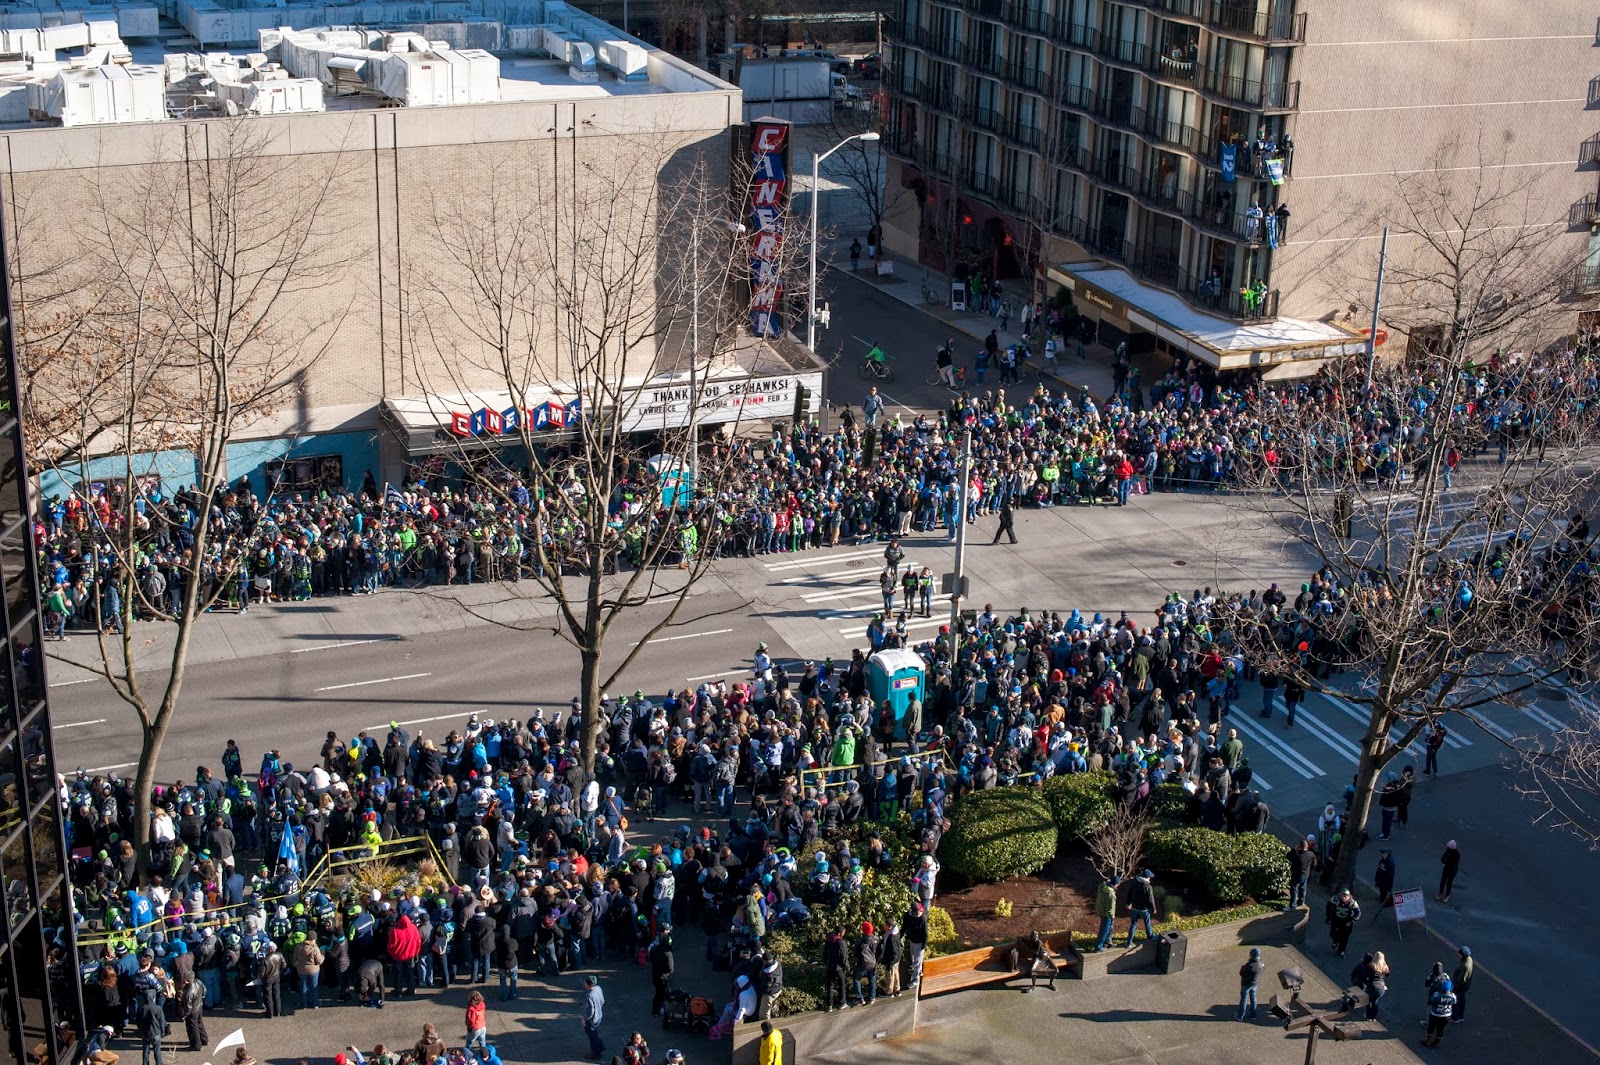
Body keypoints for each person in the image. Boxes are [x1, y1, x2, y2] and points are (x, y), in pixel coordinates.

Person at [1421, 976, 1457, 1047]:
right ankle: (1437, 1042)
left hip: (1435, 1014)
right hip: (1446, 1015)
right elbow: (1454, 1002)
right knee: (1440, 1029)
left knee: (1431, 1027)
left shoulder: (1438, 995)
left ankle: (1428, 1040)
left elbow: (1431, 1000)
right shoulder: (1452, 996)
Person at [1125, 870, 1157, 946]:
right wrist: (1154, 909)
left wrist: (1128, 903)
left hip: (1134, 908)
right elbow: (1151, 899)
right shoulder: (1148, 887)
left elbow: (1130, 893)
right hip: (1144, 909)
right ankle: (1150, 936)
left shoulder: (1135, 882)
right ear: (1147, 877)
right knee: (1147, 922)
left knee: (1133, 924)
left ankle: (1129, 942)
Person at [1325, 888, 1360, 958]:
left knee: (1345, 937)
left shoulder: (1352, 903)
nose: (1344, 897)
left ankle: (1341, 950)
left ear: (1349, 896)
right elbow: (1328, 907)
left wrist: (1351, 921)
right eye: (1343, 895)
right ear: (1340, 895)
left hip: (1346, 923)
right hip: (1336, 921)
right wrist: (1328, 917)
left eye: (1346, 896)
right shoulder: (1335, 899)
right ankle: (1336, 940)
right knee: (1333, 934)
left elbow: (1358, 914)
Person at [1286, 838, 1317, 909]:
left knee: (1294, 889)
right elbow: (1314, 864)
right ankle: (1301, 901)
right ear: (1307, 846)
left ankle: (1292, 905)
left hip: (1296, 875)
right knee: (1303, 888)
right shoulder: (1311, 854)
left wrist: (1294, 849)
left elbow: (1288, 856)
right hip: (1306, 874)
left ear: (1299, 847)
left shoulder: (1297, 855)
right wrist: (1309, 869)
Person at [581, 975, 606, 1060]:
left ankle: (596, 1053)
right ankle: (601, 1046)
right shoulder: (598, 988)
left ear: (588, 985)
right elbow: (602, 1001)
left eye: (585, 982)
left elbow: (590, 1011)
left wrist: (585, 1019)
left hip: (592, 1020)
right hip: (599, 1016)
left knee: (592, 1037)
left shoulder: (589, 995)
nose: (583, 983)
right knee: (595, 1033)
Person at [1093, 876, 1119, 951]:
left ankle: (1107, 942)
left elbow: (1104, 883)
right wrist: (1112, 916)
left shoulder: (1102, 886)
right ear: (1116, 884)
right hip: (1106, 914)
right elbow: (1111, 908)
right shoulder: (1111, 894)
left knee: (1107, 928)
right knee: (1104, 930)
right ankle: (1099, 946)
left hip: (1100, 910)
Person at [1236, 946, 1263, 1020]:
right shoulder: (1261, 964)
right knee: (1253, 998)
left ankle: (1240, 1016)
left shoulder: (1250, 965)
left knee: (1244, 1000)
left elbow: (1242, 973)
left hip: (1246, 984)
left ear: (1252, 955)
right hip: (1255, 983)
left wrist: (1242, 967)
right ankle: (1253, 1015)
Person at [1451, 947, 1473, 1023]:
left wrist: (1455, 986)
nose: (1458, 955)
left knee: (1454, 1001)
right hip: (1465, 986)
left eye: (1460, 954)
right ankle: (1461, 1016)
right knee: (1462, 1000)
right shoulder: (1469, 959)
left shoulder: (1465, 966)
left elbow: (1462, 979)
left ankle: (1455, 1018)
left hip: (1459, 987)